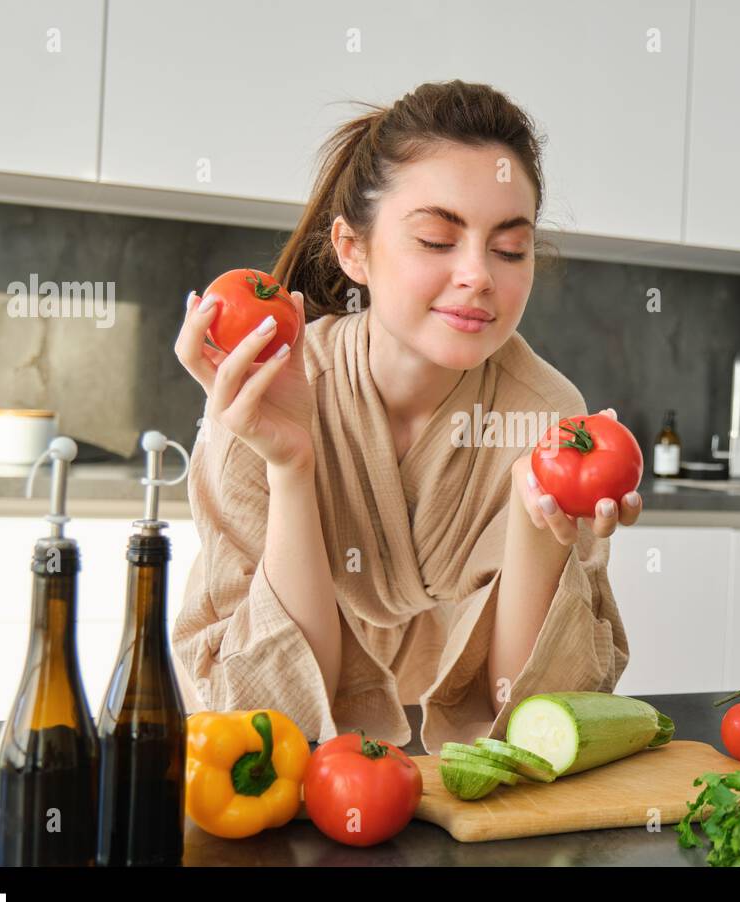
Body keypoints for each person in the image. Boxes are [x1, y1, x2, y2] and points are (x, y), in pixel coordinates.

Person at [171, 80, 642, 752]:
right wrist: (291, 465)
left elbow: (530, 722)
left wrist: (542, 534)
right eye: (436, 239)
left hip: (450, 774)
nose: (479, 274)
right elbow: (272, 712)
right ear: (352, 249)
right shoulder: (270, 389)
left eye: (510, 249)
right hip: (266, 772)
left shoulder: (547, 419)